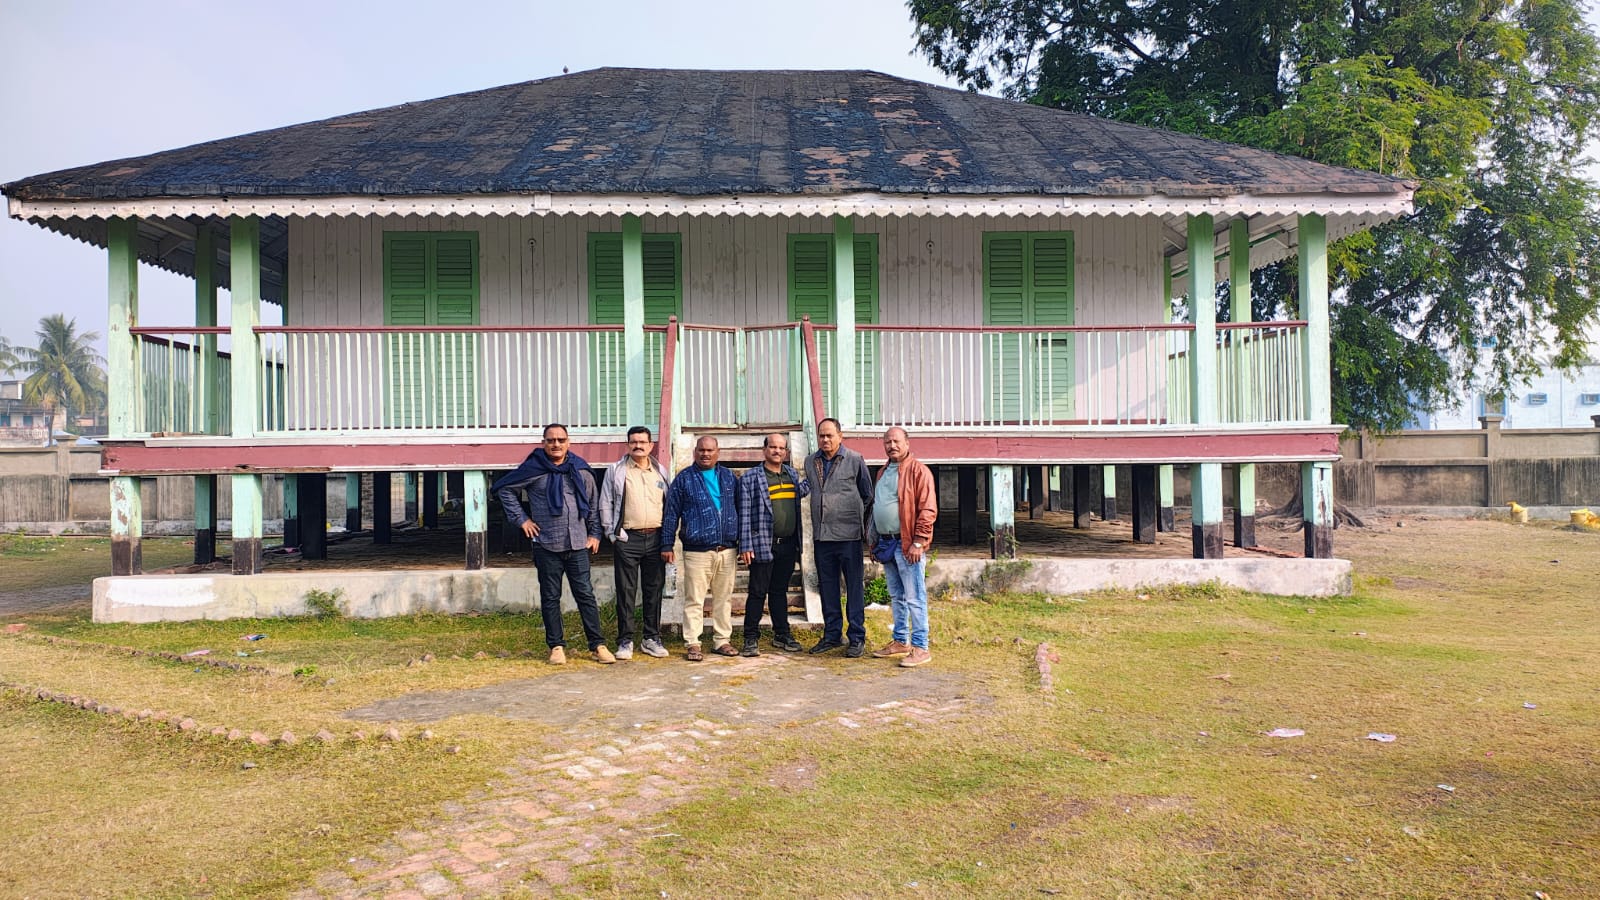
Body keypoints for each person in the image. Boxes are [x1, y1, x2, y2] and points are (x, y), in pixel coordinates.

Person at [492, 423, 612, 665]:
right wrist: (522, 519)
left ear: (568, 442)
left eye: (560, 440)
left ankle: (597, 644)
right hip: (547, 544)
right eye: (551, 440)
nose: (556, 444)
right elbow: (504, 489)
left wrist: (595, 533)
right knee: (550, 597)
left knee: (585, 595)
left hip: (578, 544)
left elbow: (592, 503)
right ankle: (556, 646)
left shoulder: (581, 470)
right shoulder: (533, 469)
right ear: (543, 443)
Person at [661, 435, 740, 661]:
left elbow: (739, 509)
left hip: (727, 549)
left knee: (723, 598)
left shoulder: (728, 477)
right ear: (695, 452)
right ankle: (693, 642)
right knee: (695, 598)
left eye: (710, 450)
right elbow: (671, 513)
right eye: (701, 450)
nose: (706, 454)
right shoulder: (684, 479)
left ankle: (721, 640)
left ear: (718, 452)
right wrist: (667, 543)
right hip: (697, 551)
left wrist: (743, 542)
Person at [866, 427, 937, 668]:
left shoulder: (919, 471)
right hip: (886, 542)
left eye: (896, 441)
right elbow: (878, 506)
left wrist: (919, 540)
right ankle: (900, 641)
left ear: (907, 442)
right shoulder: (883, 471)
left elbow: (928, 509)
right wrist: (873, 540)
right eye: (887, 442)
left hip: (907, 543)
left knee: (915, 597)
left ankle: (921, 647)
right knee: (897, 596)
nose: (891, 445)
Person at [598, 425, 671, 659]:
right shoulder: (617, 471)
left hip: (657, 537)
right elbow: (605, 502)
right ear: (628, 445)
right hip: (628, 538)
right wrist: (612, 534)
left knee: (653, 590)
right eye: (633, 442)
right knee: (626, 590)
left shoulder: (661, 471)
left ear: (651, 445)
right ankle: (625, 640)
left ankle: (651, 638)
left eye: (643, 442)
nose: (638, 446)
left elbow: (669, 504)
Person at [804, 417, 874, 657]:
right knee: (828, 587)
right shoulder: (810, 461)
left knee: (854, 587)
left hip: (849, 537)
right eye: (822, 435)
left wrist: (852, 518)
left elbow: (867, 495)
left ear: (840, 436)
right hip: (822, 537)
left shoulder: (854, 460)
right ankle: (832, 635)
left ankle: (856, 637)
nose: (825, 439)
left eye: (829, 435)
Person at [736, 432, 810, 656]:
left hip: (787, 545)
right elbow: (745, 514)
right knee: (757, 592)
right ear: (764, 449)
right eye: (773, 447)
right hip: (761, 544)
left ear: (786, 451)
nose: (777, 451)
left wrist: (818, 476)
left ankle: (782, 634)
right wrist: (746, 545)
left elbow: (802, 492)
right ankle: (750, 638)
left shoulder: (791, 475)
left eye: (781, 448)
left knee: (779, 591)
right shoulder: (751, 478)